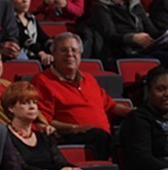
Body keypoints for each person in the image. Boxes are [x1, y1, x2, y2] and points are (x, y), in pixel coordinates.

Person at [32, 32, 132, 160]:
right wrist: (75, 128)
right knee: (99, 136)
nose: (70, 54)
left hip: (103, 136)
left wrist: (134, 113)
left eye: (74, 50)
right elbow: (45, 121)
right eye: (64, 50)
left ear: (80, 55)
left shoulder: (89, 78)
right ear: (54, 54)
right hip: (70, 137)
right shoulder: (42, 81)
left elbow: (110, 105)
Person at [2, 81, 86, 170]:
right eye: (25, 103)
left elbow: (60, 162)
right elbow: (22, 169)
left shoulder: (44, 137)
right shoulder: (4, 136)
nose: (32, 107)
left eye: (34, 103)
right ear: (11, 108)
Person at [90, 0, 168, 66]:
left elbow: (152, 31)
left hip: (144, 49)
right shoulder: (100, 7)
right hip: (121, 52)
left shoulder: (136, 5)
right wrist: (132, 38)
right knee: (160, 62)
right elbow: (109, 35)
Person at [11, 0, 52, 64]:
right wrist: (40, 53)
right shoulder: (9, 19)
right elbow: (24, 38)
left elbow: (42, 37)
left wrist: (54, 46)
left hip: (35, 53)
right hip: (20, 54)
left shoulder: (31, 17)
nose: (25, 1)